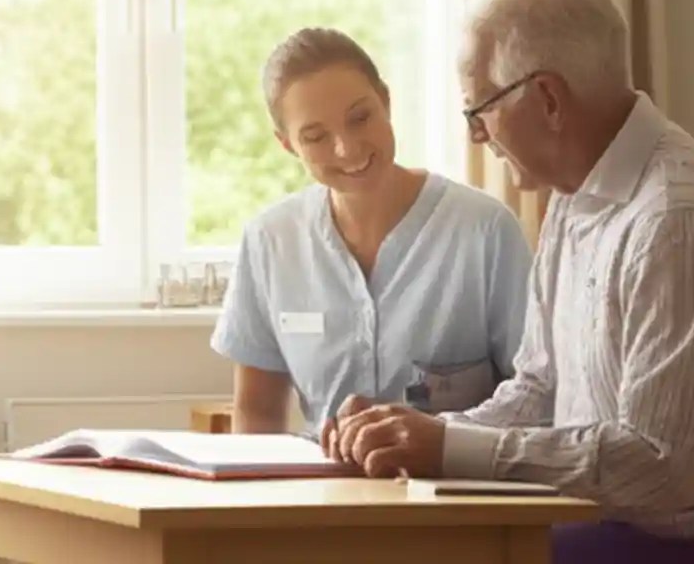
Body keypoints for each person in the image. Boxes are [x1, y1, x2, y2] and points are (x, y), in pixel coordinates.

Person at [323, 0, 694, 564]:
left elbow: (656, 469)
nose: (477, 136)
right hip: (605, 528)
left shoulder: (681, 223)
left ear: (548, 98)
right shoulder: (574, 199)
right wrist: (409, 435)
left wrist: (448, 447)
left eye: (478, 110)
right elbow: (537, 390)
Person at [210, 27, 533, 439]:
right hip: (320, 496)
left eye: (360, 118)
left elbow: (533, 397)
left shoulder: (485, 231)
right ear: (288, 145)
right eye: (316, 137)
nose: (347, 148)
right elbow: (257, 413)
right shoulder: (270, 241)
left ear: (386, 101)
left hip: (454, 494)